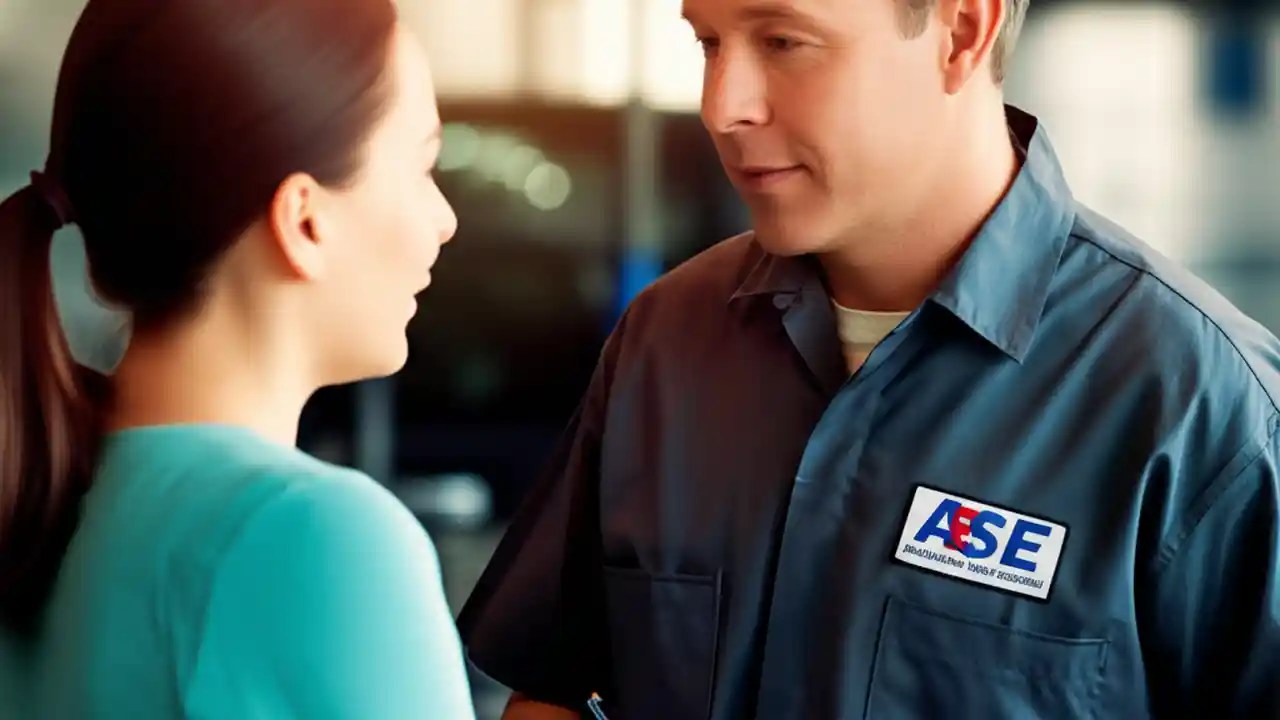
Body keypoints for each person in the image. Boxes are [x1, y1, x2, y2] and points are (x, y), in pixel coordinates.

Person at [456, 0, 1280, 717]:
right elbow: (555, 689)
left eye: (783, 41)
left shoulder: (1197, 408)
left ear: (961, 30)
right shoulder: (665, 346)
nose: (722, 105)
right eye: (707, 43)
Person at [0, 1, 476, 718]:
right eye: (423, 166)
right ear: (304, 219)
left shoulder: (33, 492)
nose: (446, 220)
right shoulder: (321, 538)